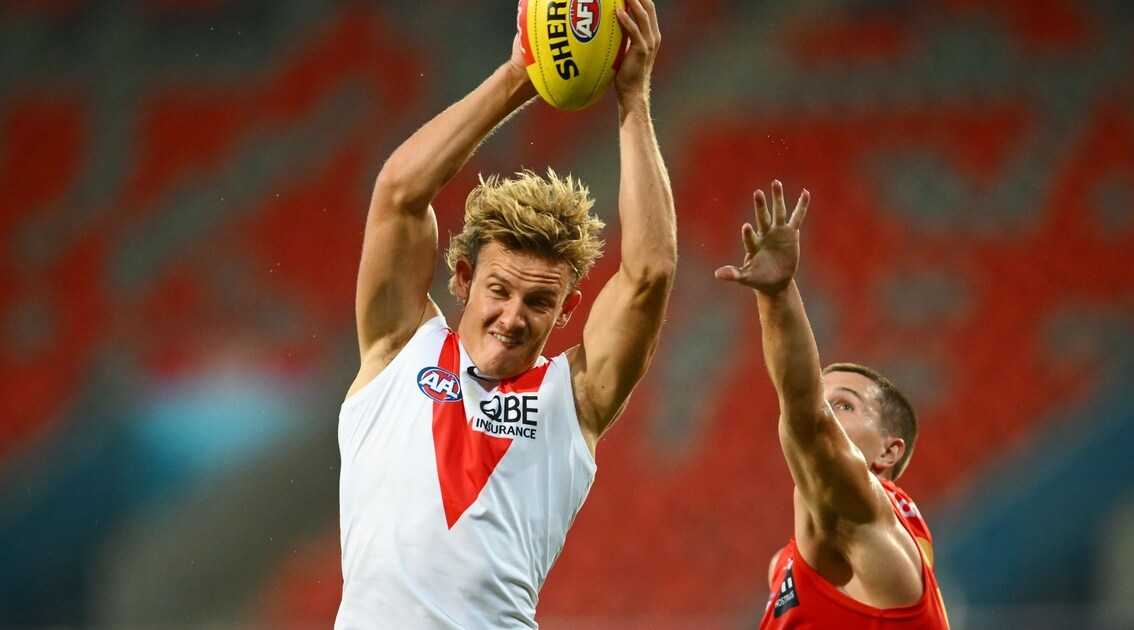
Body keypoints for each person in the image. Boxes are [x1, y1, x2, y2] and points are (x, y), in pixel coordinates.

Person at [334, 1, 672, 627]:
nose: (514, 316)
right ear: (462, 278)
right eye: (500, 290)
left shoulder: (574, 399)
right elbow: (400, 195)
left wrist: (634, 102)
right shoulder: (396, 347)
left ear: (568, 309)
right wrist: (521, 72)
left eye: (540, 301)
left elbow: (648, 276)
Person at [716, 182, 950, 629]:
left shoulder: (873, 532)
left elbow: (806, 418)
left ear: (889, 451)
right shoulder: (790, 563)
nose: (825, 411)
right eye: (823, 398)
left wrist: (778, 293)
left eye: (843, 405)